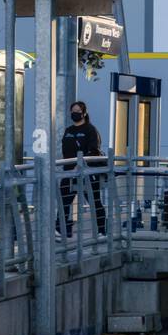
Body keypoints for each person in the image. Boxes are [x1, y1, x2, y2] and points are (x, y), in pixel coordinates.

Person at [61, 100, 107, 237]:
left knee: (94, 201)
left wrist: (80, 163)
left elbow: (94, 151)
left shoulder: (90, 130)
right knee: (64, 201)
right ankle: (61, 229)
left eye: (78, 112)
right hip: (69, 172)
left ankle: (101, 230)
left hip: (87, 172)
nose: (75, 114)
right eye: (73, 111)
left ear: (84, 113)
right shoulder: (68, 131)